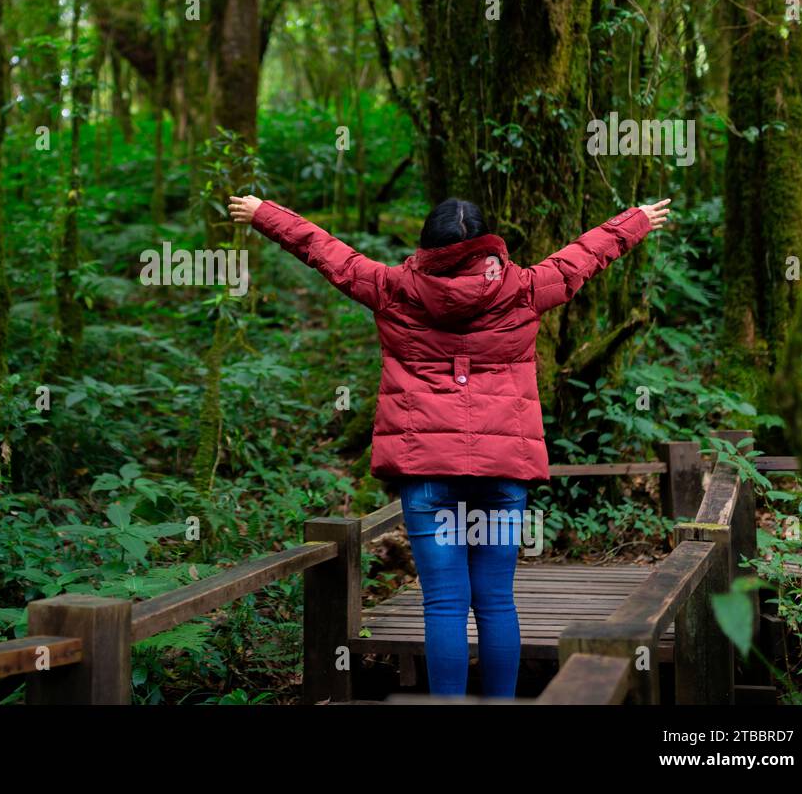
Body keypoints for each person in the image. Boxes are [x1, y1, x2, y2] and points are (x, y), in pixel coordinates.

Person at [228, 192, 671, 697]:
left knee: (442, 603)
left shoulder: (391, 287)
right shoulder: (525, 288)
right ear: (489, 245)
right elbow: (584, 256)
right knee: (497, 601)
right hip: (502, 473)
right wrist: (634, 221)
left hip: (427, 474)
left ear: (428, 244)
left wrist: (264, 213)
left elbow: (325, 251)